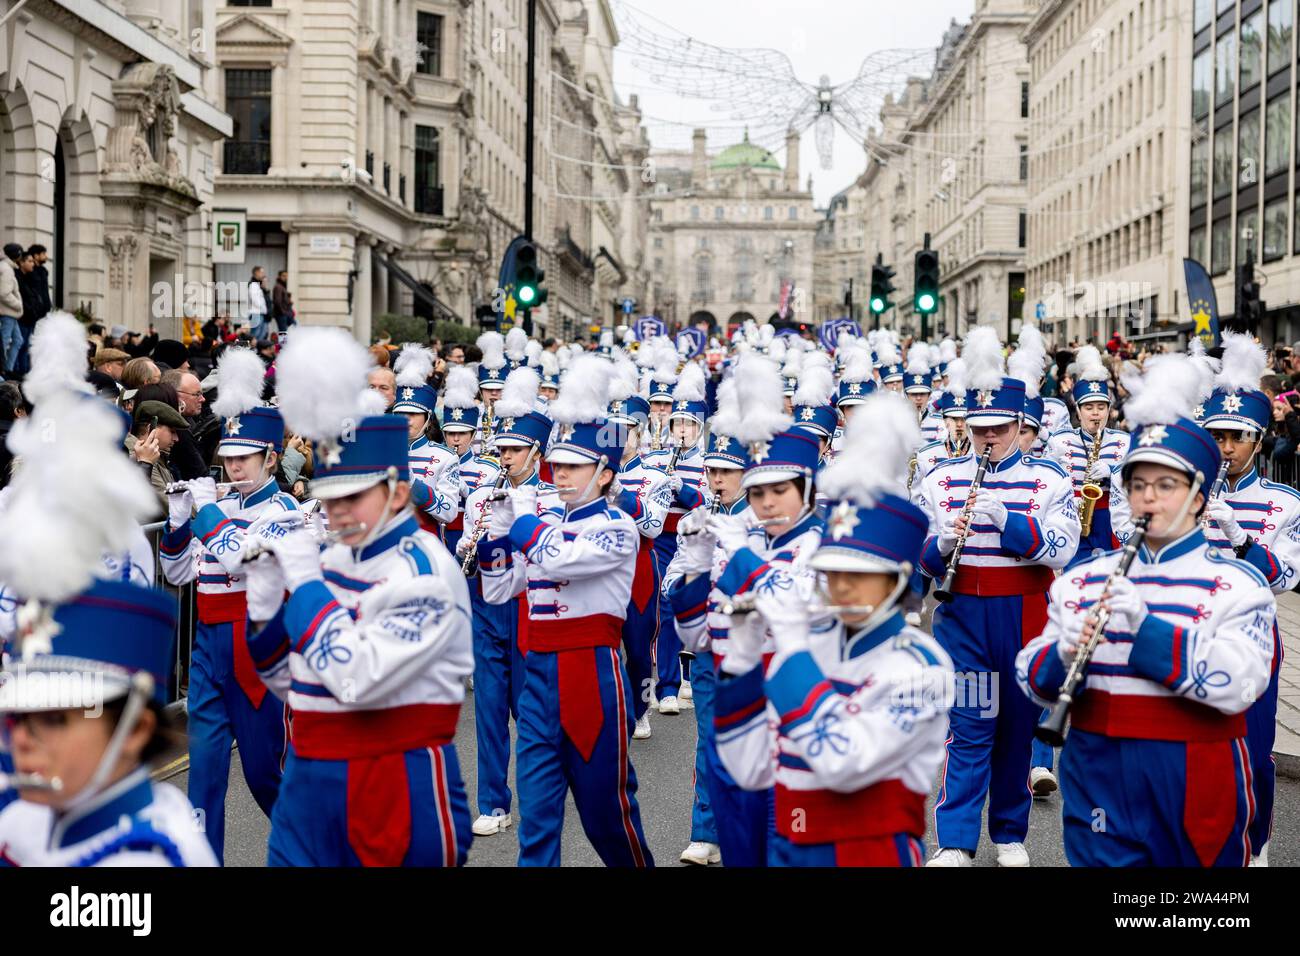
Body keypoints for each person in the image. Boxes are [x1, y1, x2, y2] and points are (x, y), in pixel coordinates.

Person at [1017, 353, 1274, 867]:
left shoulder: (1239, 585)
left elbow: (1242, 684)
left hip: (1195, 775)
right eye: (1138, 485)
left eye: (1166, 485)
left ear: (1199, 497)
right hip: (1098, 776)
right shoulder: (1083, 580)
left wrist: (1146, 629)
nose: (1147, 499)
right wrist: (1067, 649)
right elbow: (1031, 679)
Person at [241, 327, 473, 866]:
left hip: (394, 783)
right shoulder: (331, 557)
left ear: (396, 491)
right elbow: (288, 682)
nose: (336, 510)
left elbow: (354, 678)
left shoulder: (427, 571)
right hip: (307, 781)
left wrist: (304, 587)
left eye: (353, 496)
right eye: (328, 496)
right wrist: (265, 605)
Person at [710, 392, 952, 866]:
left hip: (869, 854)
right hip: (789, 845)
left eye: (858, 574)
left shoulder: (922, 668)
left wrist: (794, 653)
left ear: (898, 577)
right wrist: (740, 663)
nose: (840, 586)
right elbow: (751, 767)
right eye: (832, 571)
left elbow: (844, 763)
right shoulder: (814, 644)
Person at [914, 326, 1078, 867]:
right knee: (969, 726)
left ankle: (1009, 834)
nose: (987, 438)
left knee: (1015, 727)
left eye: (999, 428)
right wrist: (941, 542)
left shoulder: (1050, 479)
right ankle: (956, 840)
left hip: (1026, 615)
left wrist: (1010, 522)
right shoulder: (940, 480)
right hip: (965, 616)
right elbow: (919, 554)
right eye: (978, 426)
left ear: (1018, 426)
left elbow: (1062, 547)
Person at [479, 353, 652, 867]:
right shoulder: (544, 521)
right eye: (557, 465)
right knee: (535, 822)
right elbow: (498, 589)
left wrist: (524, 522)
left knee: (608, 817)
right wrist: (492, 531)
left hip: (592, 677)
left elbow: (558, 555)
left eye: (574, 466)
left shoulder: (618, 527)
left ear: (604, 473)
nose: (559, 475)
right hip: (538, 679)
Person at [158, 348, 298, 862]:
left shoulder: (285, 509)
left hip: (257, 649)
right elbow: (177, 573)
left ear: (270, 458)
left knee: (265, 774)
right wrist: (176, 522)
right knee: (206, 773)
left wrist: (207, 513)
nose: (234, 466)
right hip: (209, 647)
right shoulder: (221, 505)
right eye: (229, 458)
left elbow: (240, 558)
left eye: (245, 458)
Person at [0, 579, 218, 866]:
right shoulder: (31, 818)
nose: (21, 740)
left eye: (55, 719)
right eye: (18, 717)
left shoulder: (145, 859)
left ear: (136, 729)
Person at [1197, 333, 1300, 866]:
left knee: (1255, 753)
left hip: (1254, 637)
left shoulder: (1283, 501)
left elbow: (1286, 575)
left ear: (1258, 442)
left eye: (1238, 436)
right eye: (1217, 435)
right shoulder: (1185, 491)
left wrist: (1242, 540)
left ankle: (1254, 847)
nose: (1227, 446)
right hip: (1191, 632)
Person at [457, 366, 557, 837]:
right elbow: (469, 545)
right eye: (501, 450)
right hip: (486, 605)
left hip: (529, 608)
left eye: (516, 450)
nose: (507, 458)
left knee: (529, 710)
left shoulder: (553, 498)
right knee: (489, 708)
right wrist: (470, 544)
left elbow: (548, 553)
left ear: (536, 452)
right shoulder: (481, 492)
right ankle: (494, 802)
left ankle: (539, 795)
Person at [1046, 345, 1127, 560]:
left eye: (1101, 407)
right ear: (1078, 411)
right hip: (1072, 516)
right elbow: (1047, 481)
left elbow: (1137, 481)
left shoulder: (1123, 441)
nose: (1095, 414)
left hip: (1111, 520)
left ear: (1109, 410)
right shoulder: (1061, 441)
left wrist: (1112, 472)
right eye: (1089, 408)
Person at [0, 244, 22, 376]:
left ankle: (7, 369)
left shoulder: (7, 267)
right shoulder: (6, 269)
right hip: (8, 313)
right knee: (3, 342)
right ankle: (4, 371)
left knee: (17, 340)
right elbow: (3, 293)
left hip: (10, 314)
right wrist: (18, 304)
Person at [246, 266, 269, 341]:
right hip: (256, 313)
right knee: (255, 335)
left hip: (259, 313)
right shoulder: (253, 285)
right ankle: (252, 351)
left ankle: (257, 351)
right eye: (261, 272)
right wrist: (262, 308)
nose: (263, 274)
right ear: (256, 273)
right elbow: (255, 300)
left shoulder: (257, 284)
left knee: (260, 335)